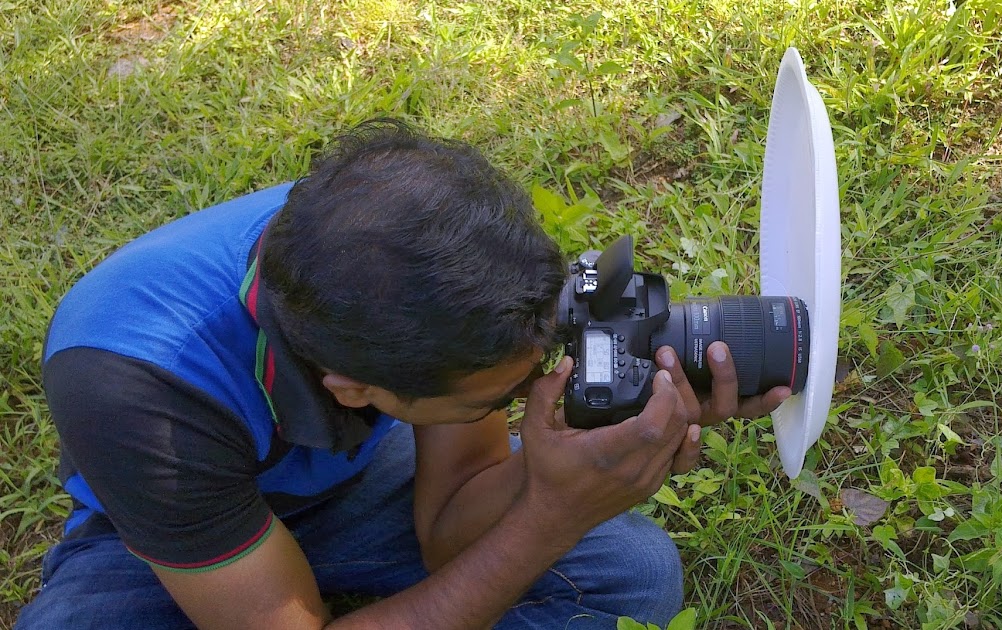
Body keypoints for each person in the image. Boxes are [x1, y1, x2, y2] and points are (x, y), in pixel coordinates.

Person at [16, 119, 791, 630]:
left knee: (630, 572)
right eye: (502, 398)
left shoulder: (422, 254)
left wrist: (575, 462)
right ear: (353, 389)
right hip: (171, 514)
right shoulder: (132, 383)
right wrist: (546, 518)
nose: (533, 398)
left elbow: (451, 532)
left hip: (348, 479)